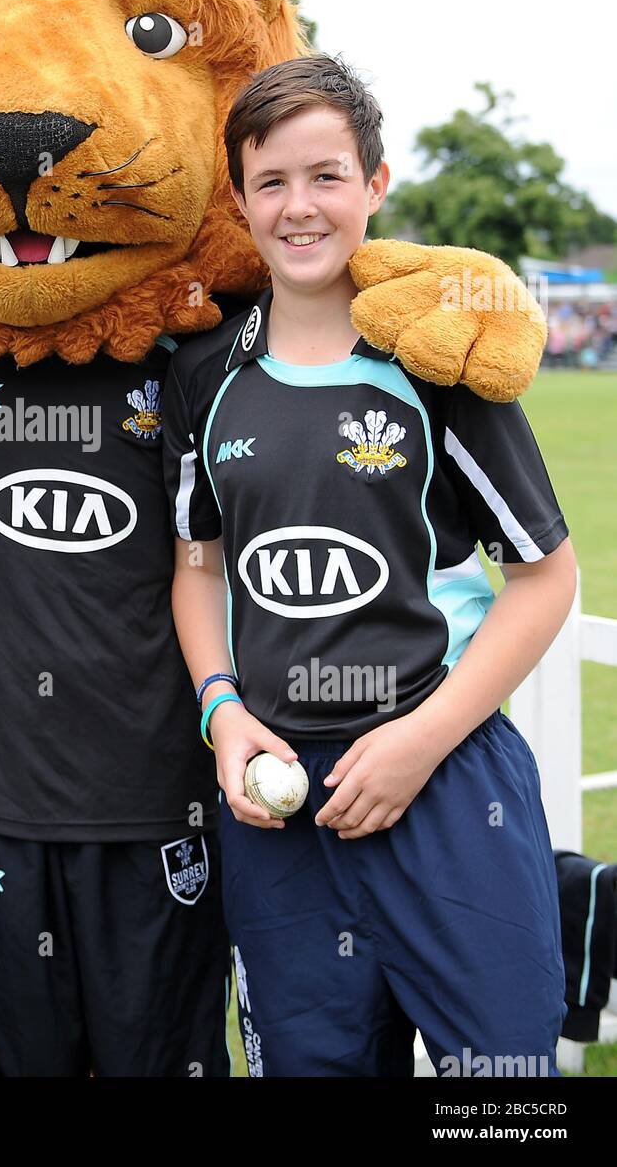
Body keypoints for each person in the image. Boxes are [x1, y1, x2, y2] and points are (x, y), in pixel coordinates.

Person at [164, 55, 577, 1077]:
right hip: (279, 799)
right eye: (272, 182)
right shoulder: (204, 373)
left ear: (375, 186)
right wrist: (222, 711)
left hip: (448, 789)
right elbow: (198, 567)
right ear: (241, 198)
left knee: (503, 1092)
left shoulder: (437, 362)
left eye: (327, 176)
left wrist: (419, 743)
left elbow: (546, 577)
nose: (299, 207)